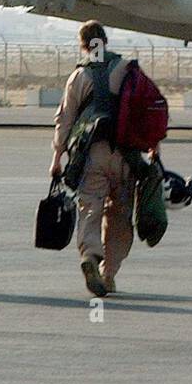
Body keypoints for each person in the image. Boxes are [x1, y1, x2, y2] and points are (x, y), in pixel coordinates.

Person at [50, 21, 135, 297]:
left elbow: (65, 119)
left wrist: (57, 156)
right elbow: (143, 111)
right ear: (105, 41)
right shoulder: (125, 70)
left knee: (90, 207)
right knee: (120, 214)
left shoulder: (79, 76)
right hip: (125, 155)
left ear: (84, 45)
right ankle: (109, 274)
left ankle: (90, 255)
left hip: (93, 154)